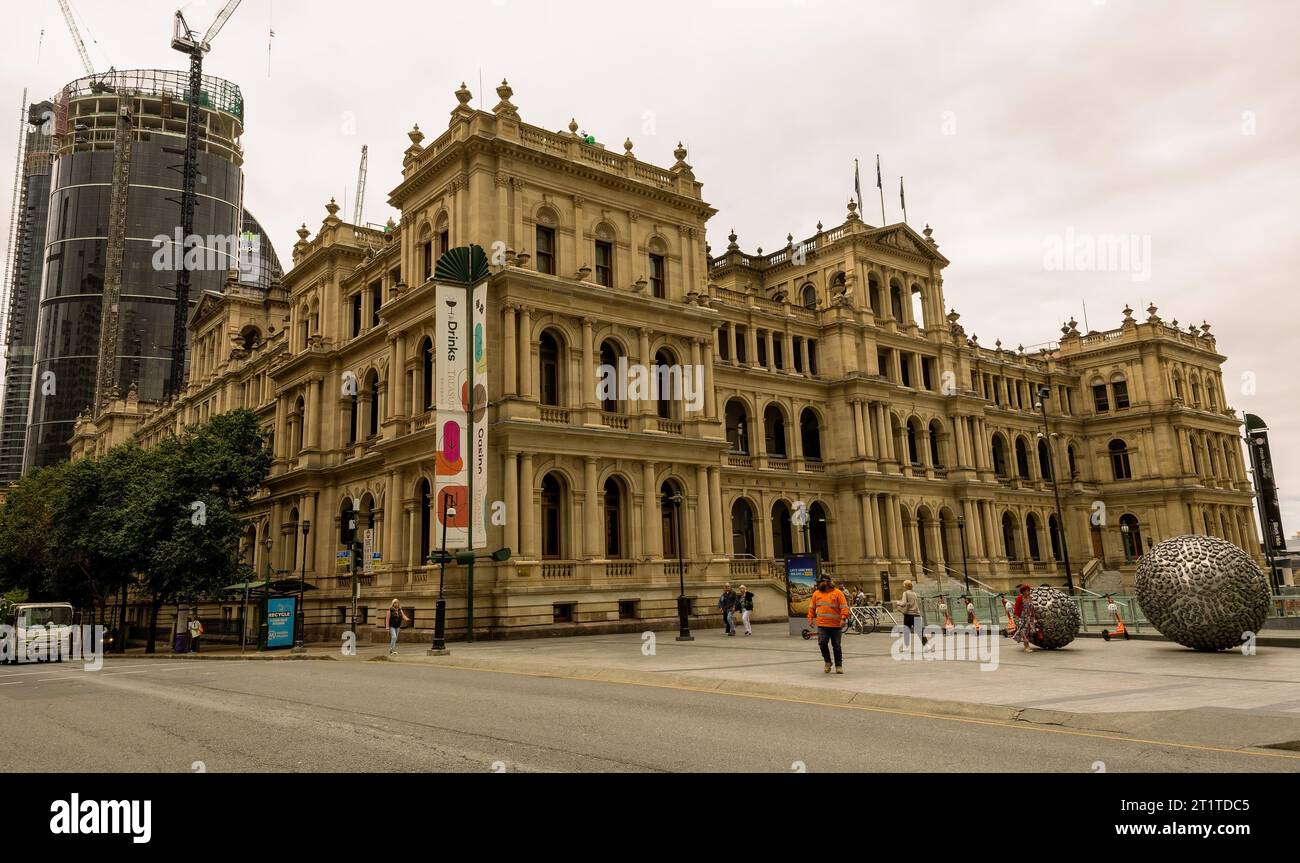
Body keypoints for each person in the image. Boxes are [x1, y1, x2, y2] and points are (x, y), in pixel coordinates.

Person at [807, 575, 849, 673]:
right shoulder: (816, 594)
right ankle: (827, 661)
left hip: (836, 625)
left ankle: (839, 666)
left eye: (819, 582)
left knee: (836, 646)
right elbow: (811, 607)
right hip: (822, 624)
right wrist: (810, 618)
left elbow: (844, 607)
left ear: (826, 582)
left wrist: (843, 618)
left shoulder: (838, 593)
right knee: (822, 642)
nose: (817, 584)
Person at [895, 579, 924, 649]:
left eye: (904, 585)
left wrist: (898, 602)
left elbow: (903, 603)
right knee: (920, 632)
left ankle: (906, 647)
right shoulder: (914, 593)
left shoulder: (906, 593)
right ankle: (927, 646)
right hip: (916, 614)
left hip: (909, 615)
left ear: (905, 586)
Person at [1012, 584, 1038, 652]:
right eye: (1027, 591)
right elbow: (1016, 608)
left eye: (1029, 591)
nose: (1029, 592)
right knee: (1023, 631)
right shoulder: (1019, 598)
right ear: (1023, 592)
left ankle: (1026, 645)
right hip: (1022, 618)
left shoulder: (1030, 598)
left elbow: (1032, 608)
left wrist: (1033, 616)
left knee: (1028, 632)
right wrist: (1017, 617)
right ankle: (1026, 646)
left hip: (1029, 618)